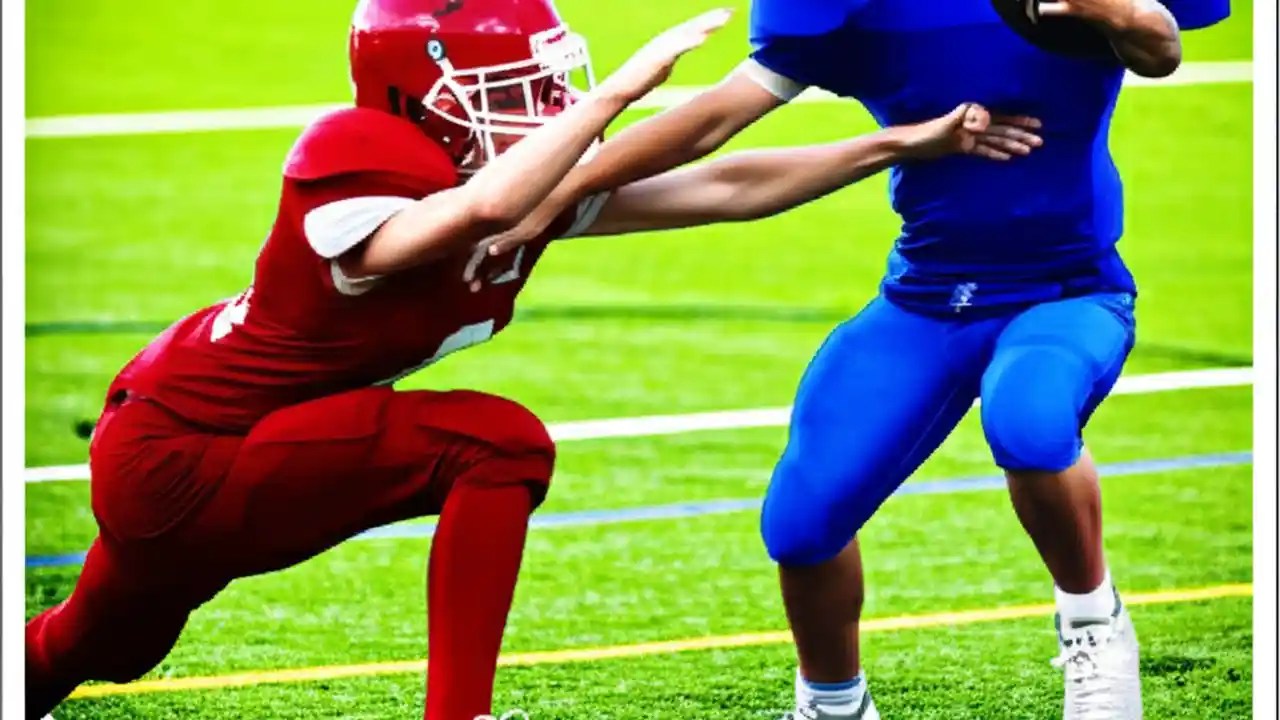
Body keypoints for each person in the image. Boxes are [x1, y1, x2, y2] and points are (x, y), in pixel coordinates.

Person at [23, 0, 1043, 718]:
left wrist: (895, 145)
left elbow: (726, 189)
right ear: (420, 95)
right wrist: (616, 100)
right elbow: (481, 211)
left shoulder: (515, 187)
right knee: (496, 443)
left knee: (92, 650)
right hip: (180, 454)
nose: (549, 100)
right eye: (516, 86)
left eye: (555, 82)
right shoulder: (360, 164)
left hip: (248, 449)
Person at [474, 0, 1230, 718]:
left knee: (1027, 418)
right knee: (800, 525)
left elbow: (1159, 48)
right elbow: (715, 124)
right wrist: (552, 196)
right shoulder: (840, 13)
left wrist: (1117, 11)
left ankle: (1094, 625)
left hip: (1068, 291)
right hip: (926, 298)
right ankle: (833, 703)